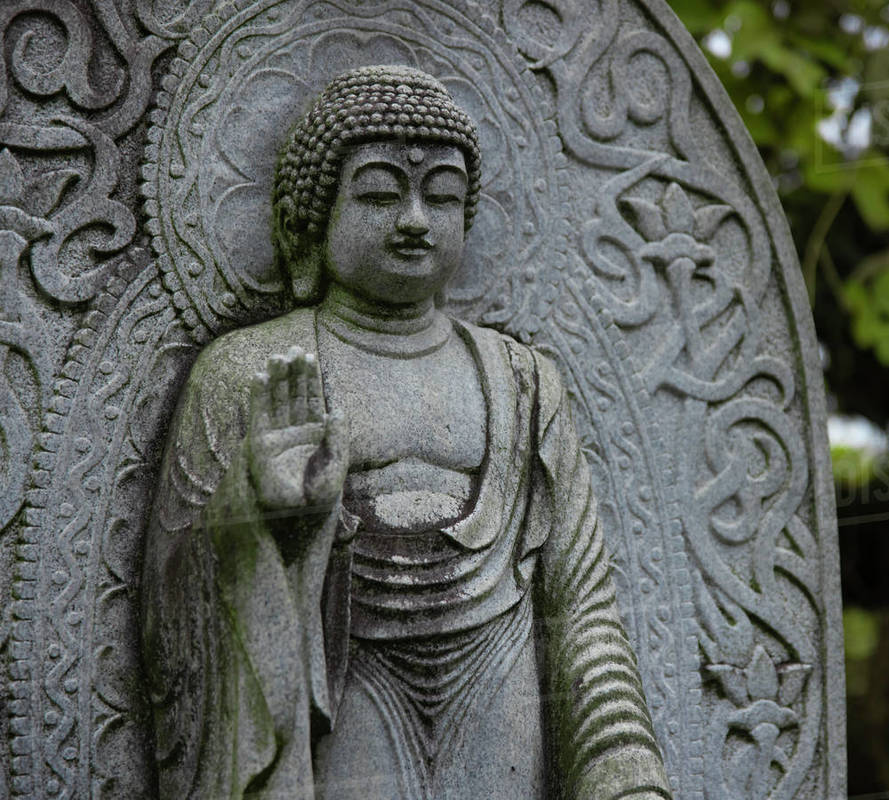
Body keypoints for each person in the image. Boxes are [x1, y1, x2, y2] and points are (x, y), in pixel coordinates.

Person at [140, 65, 672, 800]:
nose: (416, 218)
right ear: (317, 215)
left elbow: (580, 607)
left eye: (443, 196)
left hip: (500, 680)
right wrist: (259, 519)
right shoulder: (249, 371)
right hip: (338, 686)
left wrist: (624, 771)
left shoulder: (526, 382)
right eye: (381, 193)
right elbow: (173, 612)